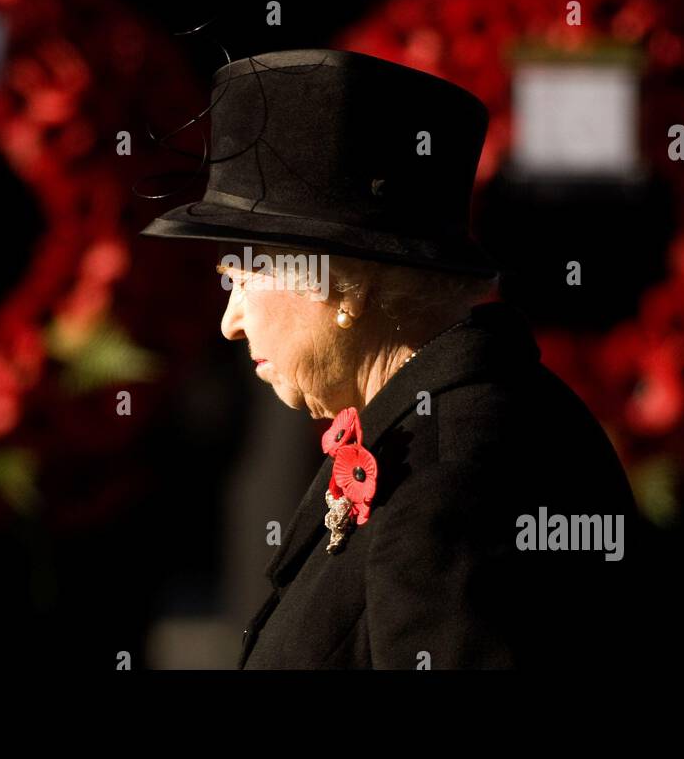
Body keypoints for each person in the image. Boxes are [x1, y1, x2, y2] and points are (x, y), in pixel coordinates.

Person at [140, 49, 645, 669]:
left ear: (344, 287)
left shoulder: (450, 474)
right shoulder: (442, 423)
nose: (230, 323)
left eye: (246, 276)